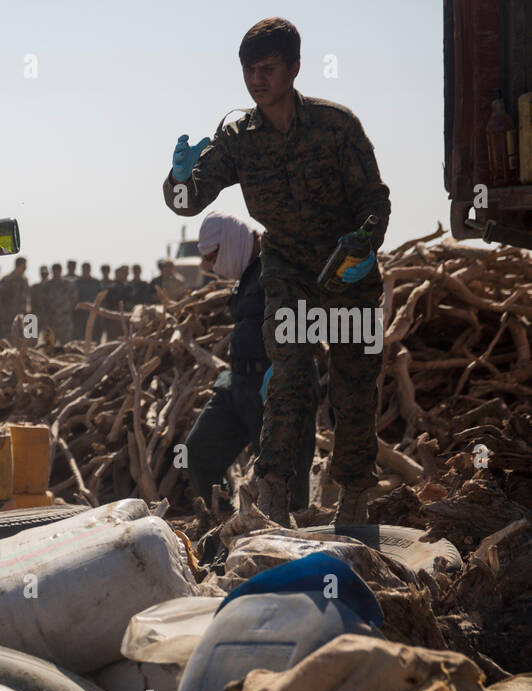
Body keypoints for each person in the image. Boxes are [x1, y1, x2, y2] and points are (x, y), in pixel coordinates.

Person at [163, 16, 391, 526]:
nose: (256, 80)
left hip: (345, 271)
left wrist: (365, 243)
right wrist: (179, 179)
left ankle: (354, 495)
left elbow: (374, 198)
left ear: (294, 69)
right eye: (248, 70)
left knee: (355, 386)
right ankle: (273, 492)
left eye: (267, 69)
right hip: (287, 270)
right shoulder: (238, 136)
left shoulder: (337, 126)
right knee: (287, 376)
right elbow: (190, 200)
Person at [183, 212, 318, 512]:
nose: (210, 266)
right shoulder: (246, 272)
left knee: (284, 484)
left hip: (281, 385)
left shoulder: (281, 262)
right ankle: (224, 528)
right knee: (197, 453)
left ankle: (288, 550)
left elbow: (313, 315)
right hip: (240, 385)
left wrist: (283, 370)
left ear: (230, 242)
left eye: (212, 256)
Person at [0, 257, 30, 343]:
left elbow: (26, 297)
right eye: (24, 266)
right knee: (8, 342)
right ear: (18, 265)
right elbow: (0, 298)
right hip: (8, 318)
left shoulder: (24, 280)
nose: (26, 268)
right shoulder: (7, 279)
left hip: (21, 318)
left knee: (21, 343)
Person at [41, 263, 76, 344]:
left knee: (66, 345)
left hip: (65, 321)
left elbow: (73, 300)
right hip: (51, 321)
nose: (56, 272)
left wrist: (66, 310)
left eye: (58, 270)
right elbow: (43, 302)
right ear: (52, 271)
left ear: (61, 271)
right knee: (49, 346)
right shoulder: (47, 285)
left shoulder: (68, 284)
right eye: (55, 270)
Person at [73, 262, 102, 342]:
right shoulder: (76, 283)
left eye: (87, 269)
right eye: (84, 269)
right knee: (80, 336)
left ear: (90, 270)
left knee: (95, 335)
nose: (85, 271)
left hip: (93, 312)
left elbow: (101, 297)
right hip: (80, 314)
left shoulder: (96, 282)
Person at [28, 265, 49, 337]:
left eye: (45, 273)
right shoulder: (35, 287)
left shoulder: (52, 286)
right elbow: (30, 302)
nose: (44, 275)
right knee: (33, 337)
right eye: (42, 273)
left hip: (49, 317)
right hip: (36, 315)